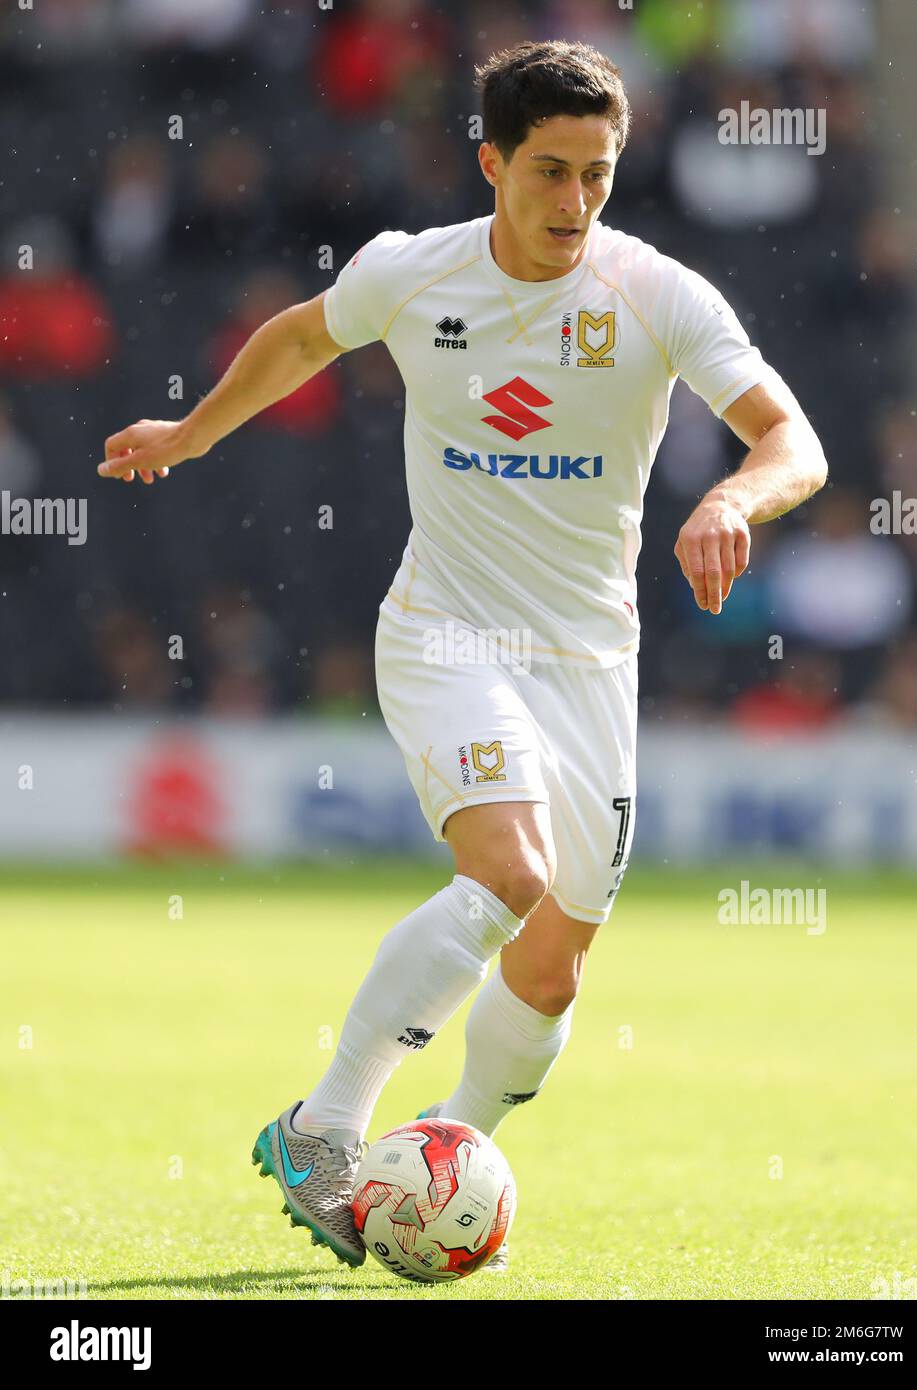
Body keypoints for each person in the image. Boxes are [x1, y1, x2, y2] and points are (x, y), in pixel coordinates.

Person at [97, 40, 828, 1274]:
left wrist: (733, 504)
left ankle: (444, 1149)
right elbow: (297, 338)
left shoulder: (654, 293)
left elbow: (790, 440)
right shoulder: (412, 273)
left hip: (589, 659)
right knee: (507, 874)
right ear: (488, 162)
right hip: (447, 630)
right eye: (547, 171)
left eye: (596, 174)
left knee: (553, 967)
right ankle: (323, 1128)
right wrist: (191, 431)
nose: (573, 203)